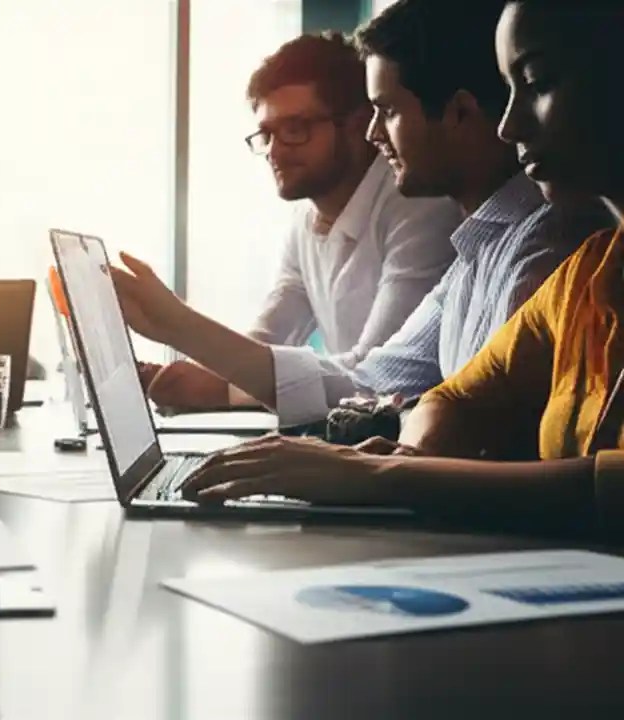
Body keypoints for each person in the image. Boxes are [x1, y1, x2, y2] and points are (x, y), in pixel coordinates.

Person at [168, 0, 624, 538]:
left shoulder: (546, 245)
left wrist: (384, 472)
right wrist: (404, 455)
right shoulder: (585, 271)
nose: (509, 125)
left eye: (538, 82)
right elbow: (449, 397)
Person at [134, 32, 461, 417]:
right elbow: (267, 337)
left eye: (294, 129)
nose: (274, 151)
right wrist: (192, 375)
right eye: (266, 134)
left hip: (401, 442)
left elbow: (376, 375)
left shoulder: (418, 205)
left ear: (358, 125)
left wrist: (221, 388)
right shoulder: (304, 221)